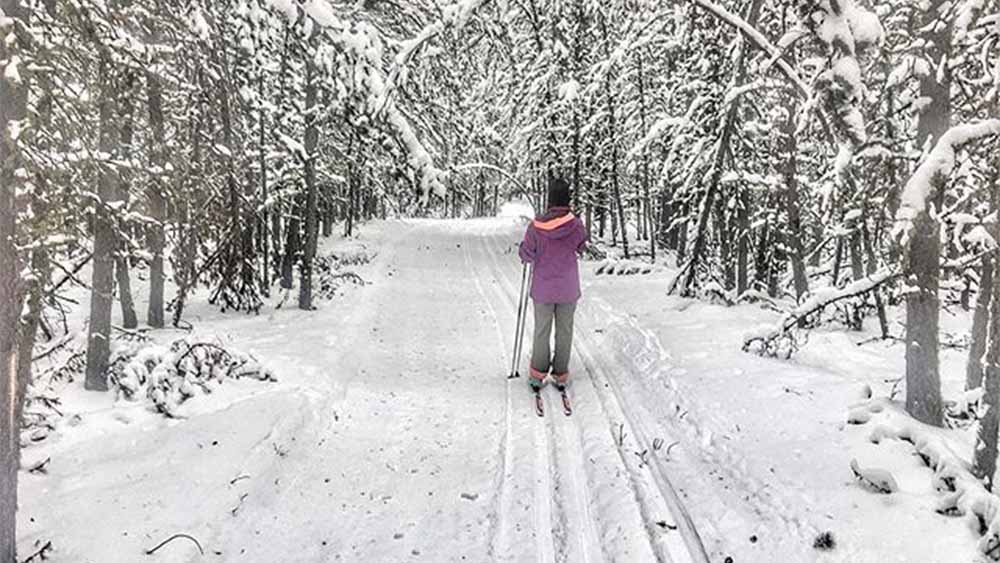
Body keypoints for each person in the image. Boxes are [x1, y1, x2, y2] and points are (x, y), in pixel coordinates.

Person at [518, 177, 588, 391]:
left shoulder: (536, 226)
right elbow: (581, 246)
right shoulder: (576, 225)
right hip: (568, 288)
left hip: (543, 289)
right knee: (564, 331)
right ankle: (560, 373)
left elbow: (527, 254)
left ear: (549, 199)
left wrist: (523, 250)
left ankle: (537, 374)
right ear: (567, 199)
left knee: (542, 330)